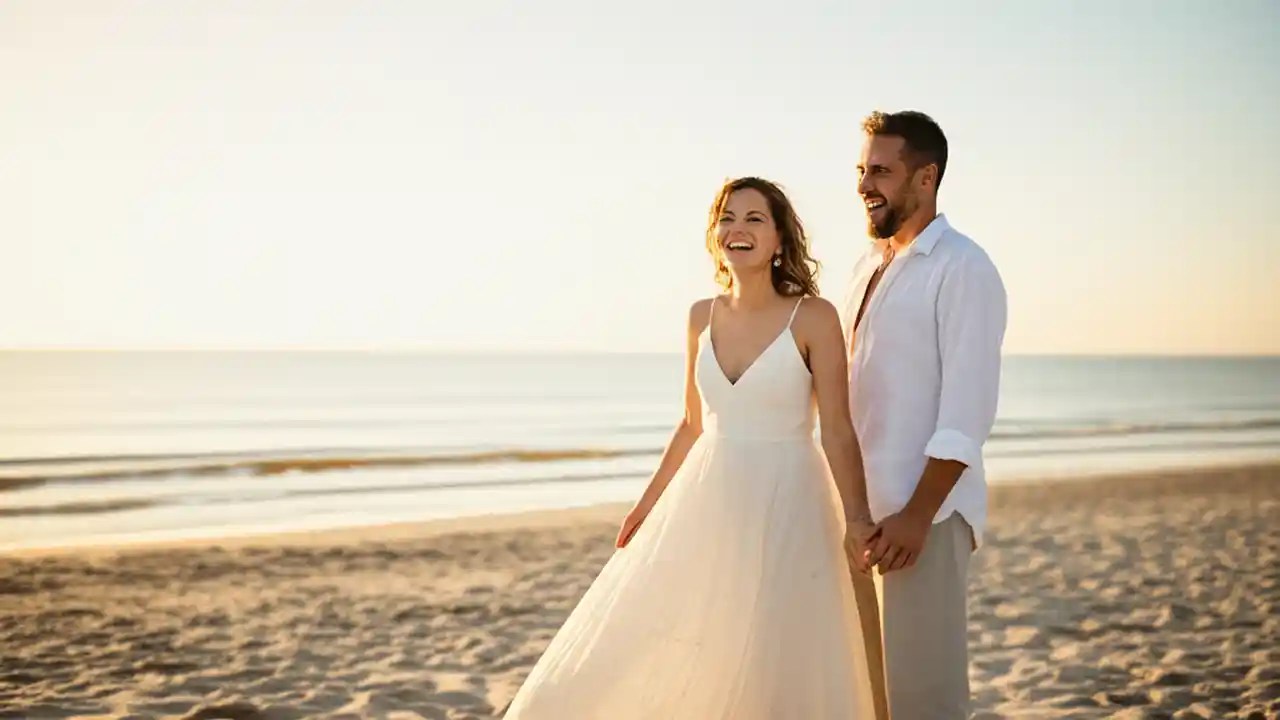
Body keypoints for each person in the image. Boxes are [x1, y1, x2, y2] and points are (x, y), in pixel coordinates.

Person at [502, 177, 884, 719]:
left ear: (780, 240)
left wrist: (858, 518)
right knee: (696, 636)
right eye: (728, 218)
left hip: (791, 500)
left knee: (778, 646)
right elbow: (691, 423)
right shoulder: (699, 317)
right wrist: (647, 503)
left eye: (755, 219)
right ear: (714, 235)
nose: (738, 229)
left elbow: (838, 430)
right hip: (711, 498)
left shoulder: (814, 317)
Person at [845, 110, 1008, 718]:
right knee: (876, 701)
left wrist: (917, 516)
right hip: (865, 522)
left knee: (926, 701)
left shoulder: (963, 268)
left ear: (925, 177)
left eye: (881, 171)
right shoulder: (868, 266)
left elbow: (967, 412)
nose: (865, 185)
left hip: (924, 523)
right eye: (862, 170)